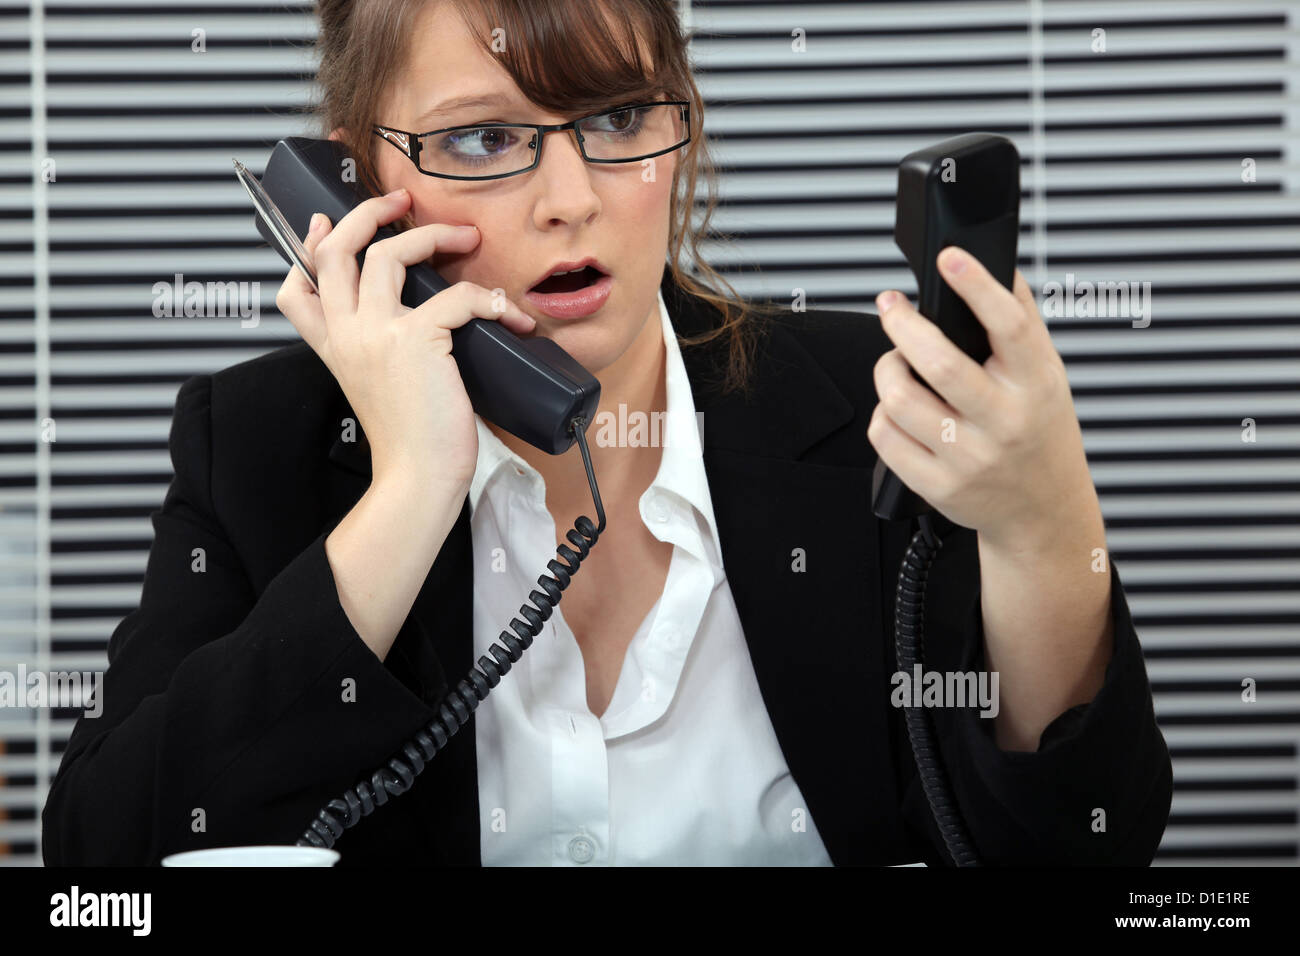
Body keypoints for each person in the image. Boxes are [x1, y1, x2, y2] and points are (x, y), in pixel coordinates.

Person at [41, 0, 1171, 866]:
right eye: (482, 139)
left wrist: (1044, 522)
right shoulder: (260, 446)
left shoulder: (878, 407)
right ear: (358, 186)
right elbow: (102, 859)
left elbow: (1085, 844)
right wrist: (411, 492)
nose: (570, 197)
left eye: (620, 117)